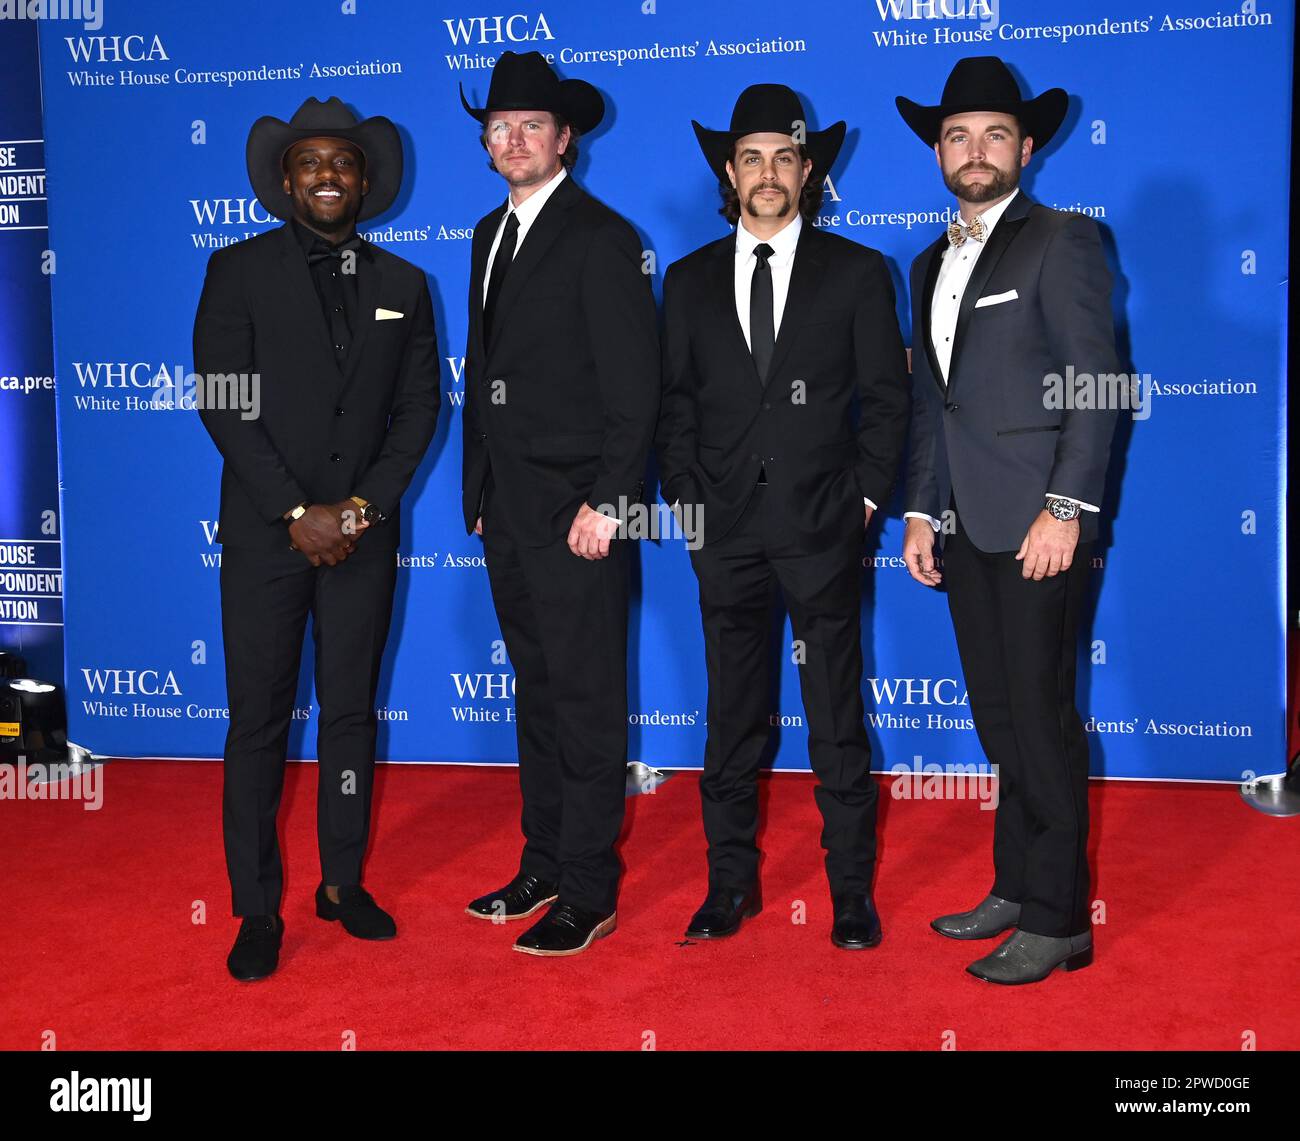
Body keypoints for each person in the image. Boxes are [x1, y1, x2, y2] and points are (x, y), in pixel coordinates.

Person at [656, 84, 910, 949]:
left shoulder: (856, 272)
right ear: (730, 170)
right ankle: (728, 886)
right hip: (723, 536)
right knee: (730, 716)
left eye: (785, 157)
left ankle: (850, 893)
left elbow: (886, 401)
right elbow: (674, 406)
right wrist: (689, 499)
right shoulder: (687, 280)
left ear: (809, 170)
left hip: (823, 529)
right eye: (752, 157)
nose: (769, 173)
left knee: (837, 716)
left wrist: (866, 497)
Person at [194, 96, 440, 981]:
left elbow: (419, 411)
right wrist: (298, 513)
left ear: (365, 180)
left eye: (342, 162)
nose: (327, 175)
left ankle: (341, 883)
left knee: (348, 714)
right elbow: (224, 402)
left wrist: (361, 508)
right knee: (256, 722)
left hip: (363, 537)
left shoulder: (405, 286)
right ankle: (256, 906)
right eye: (310, 163)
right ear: (285, 179)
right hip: (268, 537)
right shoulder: (237, 270)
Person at [896, 56, 1121, 984]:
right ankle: (1017, 884)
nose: (974, 150)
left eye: (994, 134)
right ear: (939, 153)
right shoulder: (927, 259)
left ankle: (1061, 919)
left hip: (1039, 525)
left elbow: (1098, 386)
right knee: (998, 719)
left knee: (1042, 719)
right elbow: (931, 406)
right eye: (957, 135)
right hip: (963, 525)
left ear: (1027, 147)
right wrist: (919, 511)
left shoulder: (1061, 240)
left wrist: (1065, 507)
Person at [458, 52, 660, 956]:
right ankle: (543, 860)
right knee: (535, 693)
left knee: (585, 698)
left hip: (581, 513)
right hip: (506, 508)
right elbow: (483, 371)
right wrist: (476, 489)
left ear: (565, 137)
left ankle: (590, 886)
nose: (512, 140)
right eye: (498, 128)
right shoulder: (483, 235)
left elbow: (636, 386)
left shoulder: (601, 236)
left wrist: (610, 501)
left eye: (530, 126)